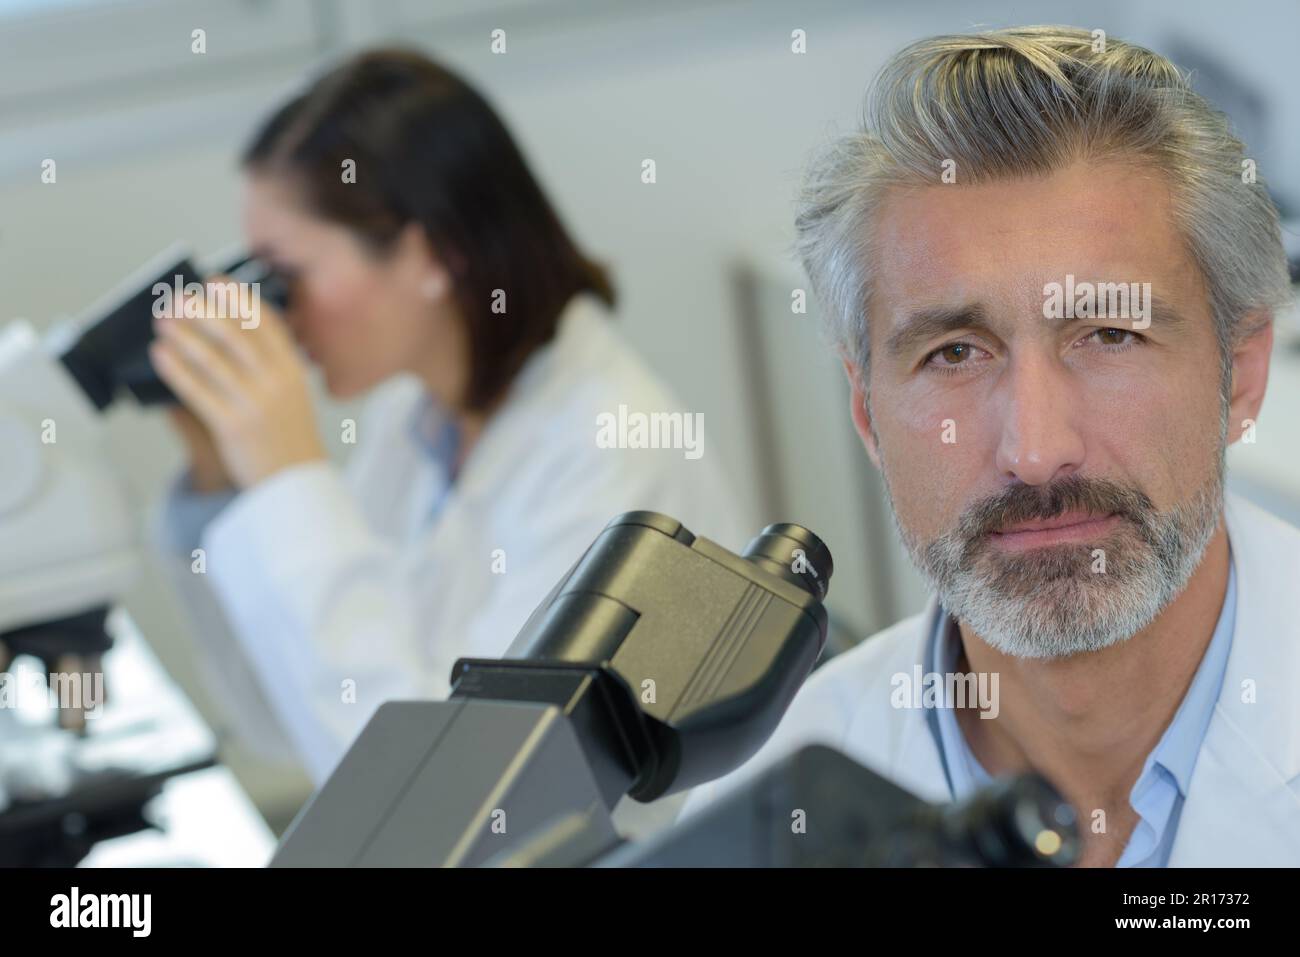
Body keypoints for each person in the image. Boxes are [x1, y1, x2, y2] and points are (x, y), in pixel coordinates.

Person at [681, 26, 1300, 866]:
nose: (1036, 452)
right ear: (866, 413)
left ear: (1242, 375)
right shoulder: (770, 797)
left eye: (1109, 335)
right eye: (955, 354)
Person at [150, 48, 750, 803]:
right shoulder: (415, 413)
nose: (272, 311)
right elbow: (289, 721)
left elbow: (445, 798)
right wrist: (224, 482)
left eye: (285, 275)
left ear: (431, 253)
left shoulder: (614, 458)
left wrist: (288, 482)